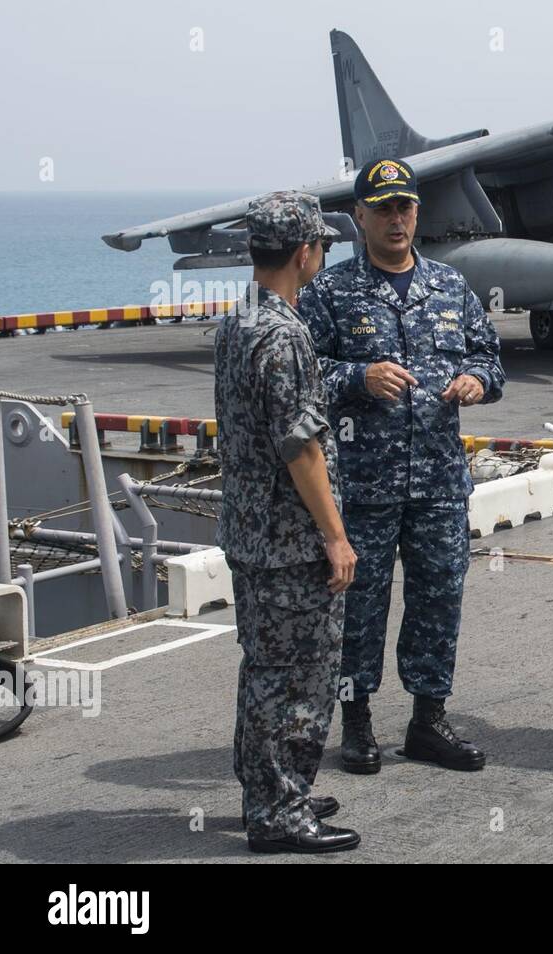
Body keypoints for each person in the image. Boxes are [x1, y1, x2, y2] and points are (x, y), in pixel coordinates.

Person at [298, 157, 505, 774]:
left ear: (418, 212)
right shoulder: (329, 292)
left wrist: (476, 381)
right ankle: (356, 722)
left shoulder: (450, 286)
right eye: (383, 208)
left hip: (440, 481)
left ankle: (428, 721)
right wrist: (357, 376)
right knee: (358, 605)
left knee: (439, 599)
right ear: (358, 216)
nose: (396, 218)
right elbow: (303, 374)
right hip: (364, 485)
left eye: (405, 206)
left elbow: (492, 360)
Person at [214, 191, 359, 853]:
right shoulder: (284, 331)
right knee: (297, 677)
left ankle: (274, 788)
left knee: (263, 668)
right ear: (304, 253)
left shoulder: (240, 317)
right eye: (320, 246)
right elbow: (300, 446)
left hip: (250, 531)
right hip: (288, 540)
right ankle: (277, 813)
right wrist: (334, 535)